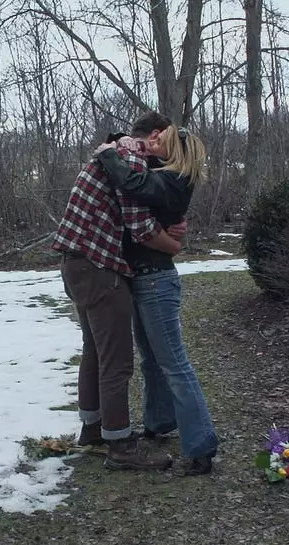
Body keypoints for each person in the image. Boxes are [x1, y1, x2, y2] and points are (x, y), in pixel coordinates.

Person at [51, 133, 185, 471]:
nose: (164, 149)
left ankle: (93, 429)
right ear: (152, 136)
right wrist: (173, 244)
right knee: (117, 360)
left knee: (95, 351)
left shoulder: (109, 154)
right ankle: (120, 446)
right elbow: (139, 225)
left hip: (75, 263)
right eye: (165, 140)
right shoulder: (132, 160)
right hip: (100, 268)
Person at [93, 113, 218, 476]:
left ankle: (202, 446)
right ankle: (160, 422)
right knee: (151, 360)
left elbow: (131, 182)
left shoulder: (175, 181)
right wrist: (121, 140)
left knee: (174, 364)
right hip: (143, 279)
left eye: (161, 139)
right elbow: (134, 149)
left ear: (174, 149)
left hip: (156, 282)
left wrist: (109, 154)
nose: (154, 140)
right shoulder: (162, 171)